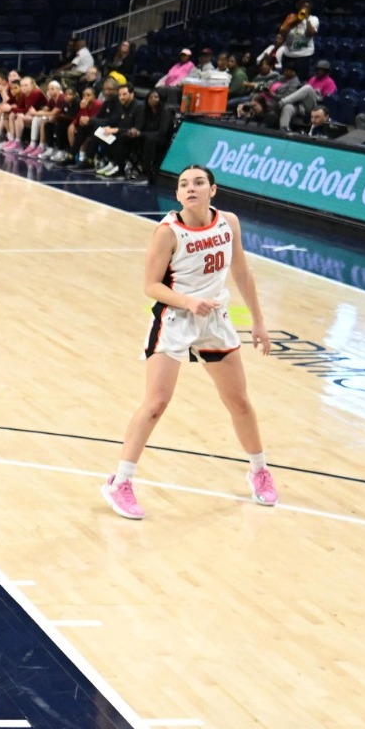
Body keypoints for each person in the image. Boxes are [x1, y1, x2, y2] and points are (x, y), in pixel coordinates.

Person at [102, 165, 277, 521]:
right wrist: (188, 302)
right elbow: (151, 286)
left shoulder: (229, 222)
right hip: (175, 318)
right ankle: (120, 482)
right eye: (184, 184)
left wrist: (258, 320)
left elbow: (241, 271)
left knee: (240, 402)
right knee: (155, 403)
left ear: (213, 189)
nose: (190, 188)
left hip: (214, 318)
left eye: (198, 183)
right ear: (178, 194)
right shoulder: (168, 232)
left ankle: (258, 470)